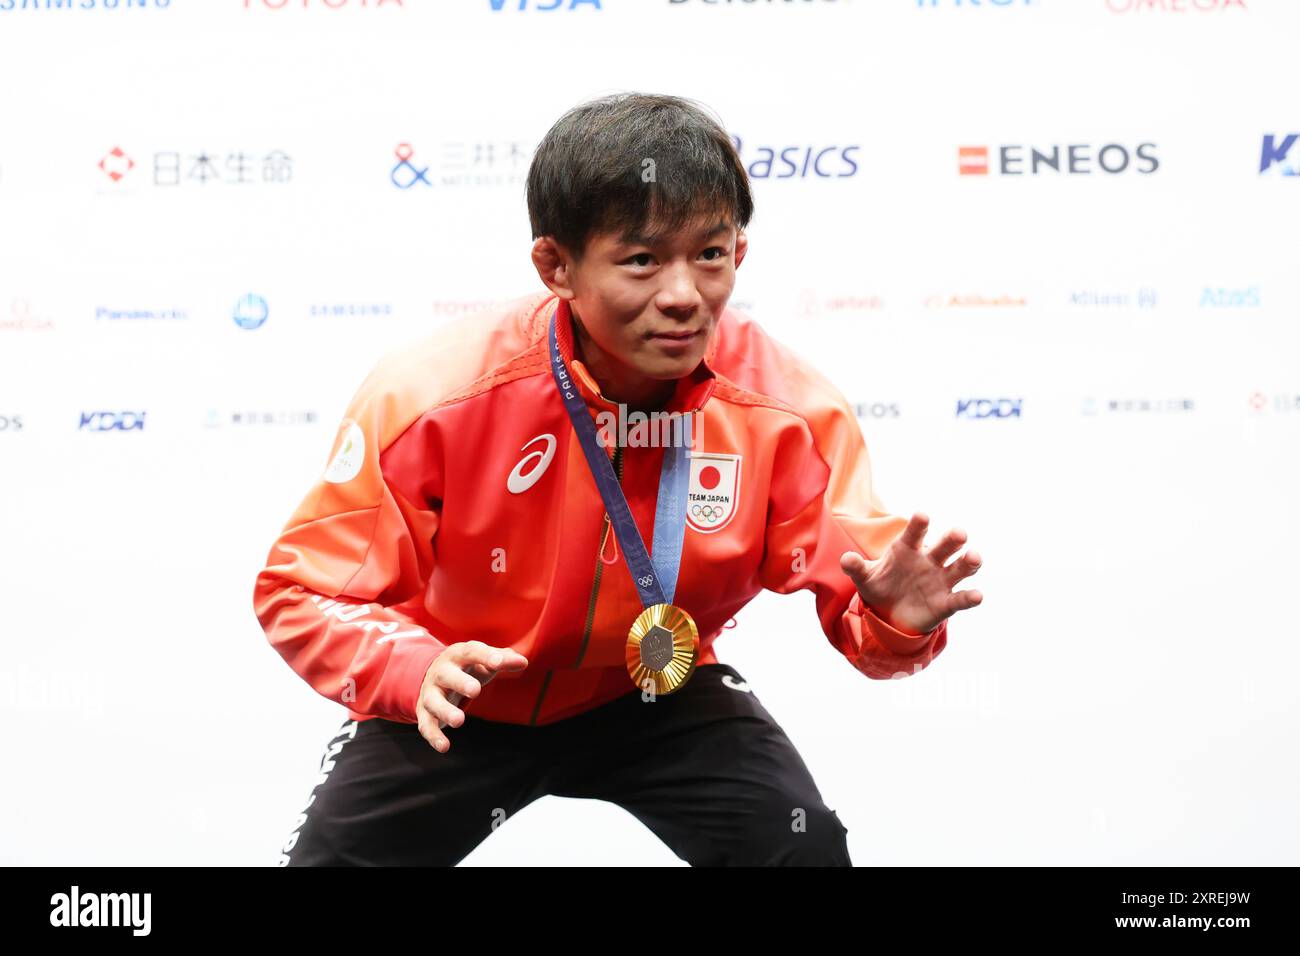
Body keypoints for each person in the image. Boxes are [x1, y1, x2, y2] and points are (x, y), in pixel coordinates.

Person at [253, 92, 984, 867]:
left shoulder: (784, 411)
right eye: (641, 260)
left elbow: (867, 620)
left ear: (740, 254)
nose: (682, 295)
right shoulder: (433, 398)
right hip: (457, 692)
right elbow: (300, 591)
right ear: (556, 266)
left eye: (710, 254)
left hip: (651, 689)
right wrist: (409, 668)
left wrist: (896, 620)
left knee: (801, 848)